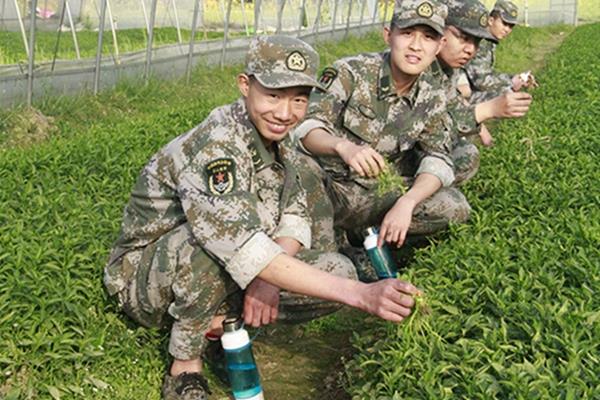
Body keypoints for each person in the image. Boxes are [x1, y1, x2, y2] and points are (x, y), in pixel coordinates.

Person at [103, 35, 419, 400]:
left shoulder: (281, 140)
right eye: (273, 95)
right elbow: (236, 245)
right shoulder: (218, 147)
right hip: (146, 279)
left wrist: (267, 280)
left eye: (299, 99)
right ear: (245, 85)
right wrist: (361, 296)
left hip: (225, 263)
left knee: (338, 271)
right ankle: (185, 366)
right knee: (207, 245)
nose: (285, 113)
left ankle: (223, 329)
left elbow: (295, 216)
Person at [292, 0, 470, 280]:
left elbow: (437, 157)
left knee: (454, 205)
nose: (416, 45)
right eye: (407, 33)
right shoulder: (350, 73)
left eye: (428, 37)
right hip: (331, 194)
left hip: (377, 195)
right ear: (388, 34)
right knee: (302, 169)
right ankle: (336, 251)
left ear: (439, 46)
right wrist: (343, 146)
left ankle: (375, 241)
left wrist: (407, 203)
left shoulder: (433, 94)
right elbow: (306, 128)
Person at [435, 0, 533, 149]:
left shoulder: (450, 66)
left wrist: (480, 126)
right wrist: (509, 83)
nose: (470, 49)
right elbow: (481, 81)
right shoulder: (423, 65)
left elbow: (452, 99)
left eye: (476, 42)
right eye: (463, 37)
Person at [460, 0, 536, 105]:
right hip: (455, 89)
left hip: (466, 85)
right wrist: (511, 82)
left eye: (511, 26)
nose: (507, 30)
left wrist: (517, 78)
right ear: (491, 20)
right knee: (507, 94)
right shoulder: (481, 42)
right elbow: (481, 82)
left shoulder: (489, 41)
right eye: (504, 23)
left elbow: (485, 74)